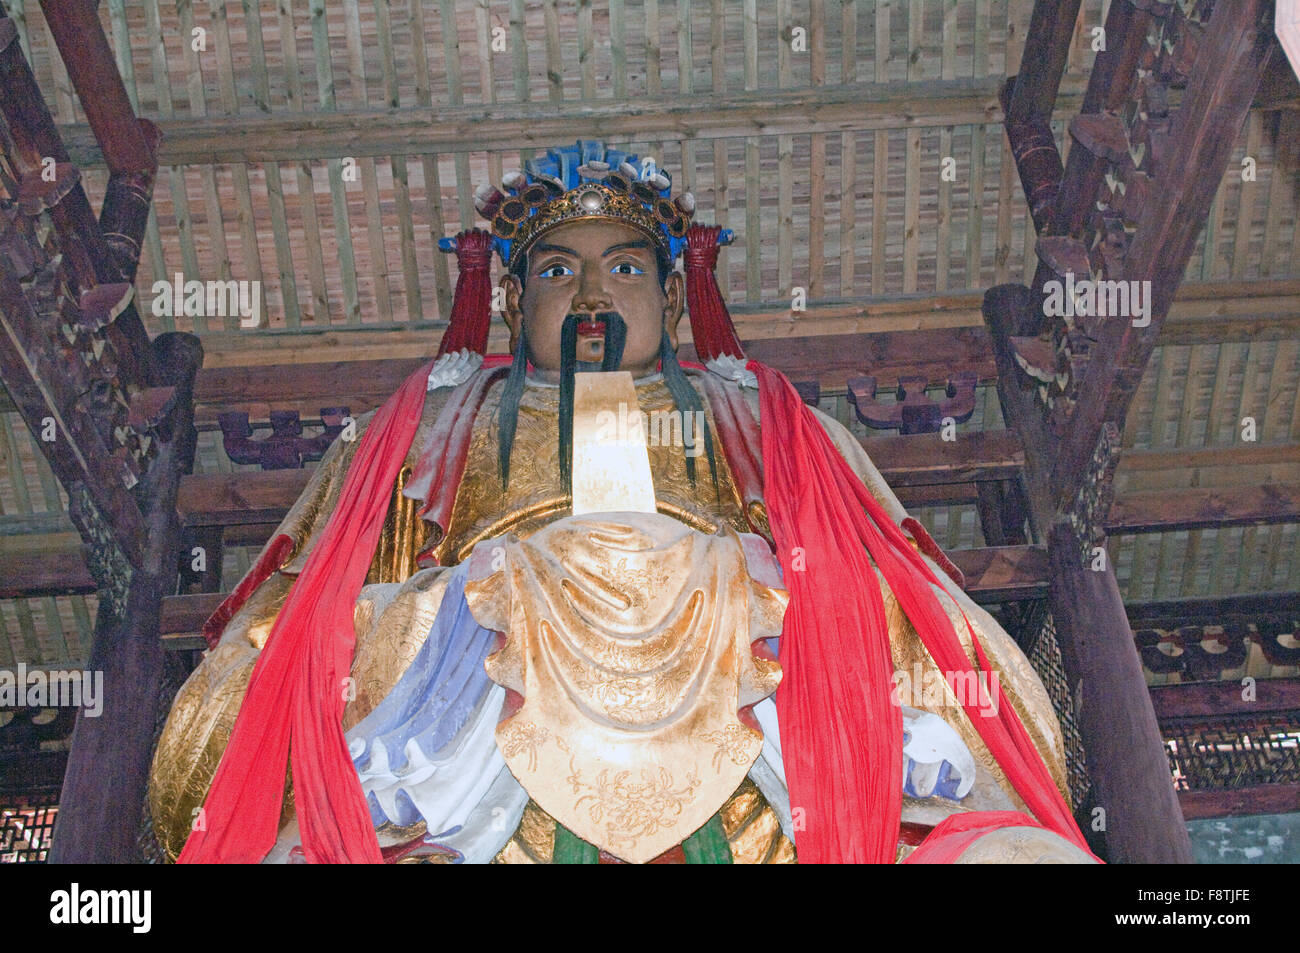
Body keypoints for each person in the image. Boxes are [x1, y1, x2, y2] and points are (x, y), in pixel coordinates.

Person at [150, 142, 1094, 864]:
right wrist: (468, 593)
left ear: (676, 302)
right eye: (558, 271)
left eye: (627, 269)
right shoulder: (430, 419)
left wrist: (771, 584)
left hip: (755, 686)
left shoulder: (763, 414)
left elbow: (894, 574)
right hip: (470, 695)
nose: (593, 288)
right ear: (514, 306)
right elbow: (312, 600)